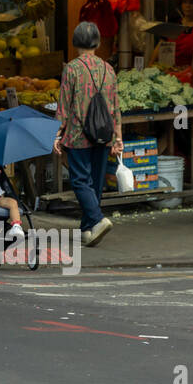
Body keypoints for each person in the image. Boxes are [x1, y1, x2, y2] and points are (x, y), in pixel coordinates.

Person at [53, 21, 122, 247]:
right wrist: (117, 137)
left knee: (81, 180)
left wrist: (56, 134)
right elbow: (115, 106)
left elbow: (63, 105)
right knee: (96, 181)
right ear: (98, 42)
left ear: (75, 42)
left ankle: (97, 219)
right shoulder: (109, 69)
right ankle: (87, 229)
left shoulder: (71, 69)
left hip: (77, 134)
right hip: (103, 134)